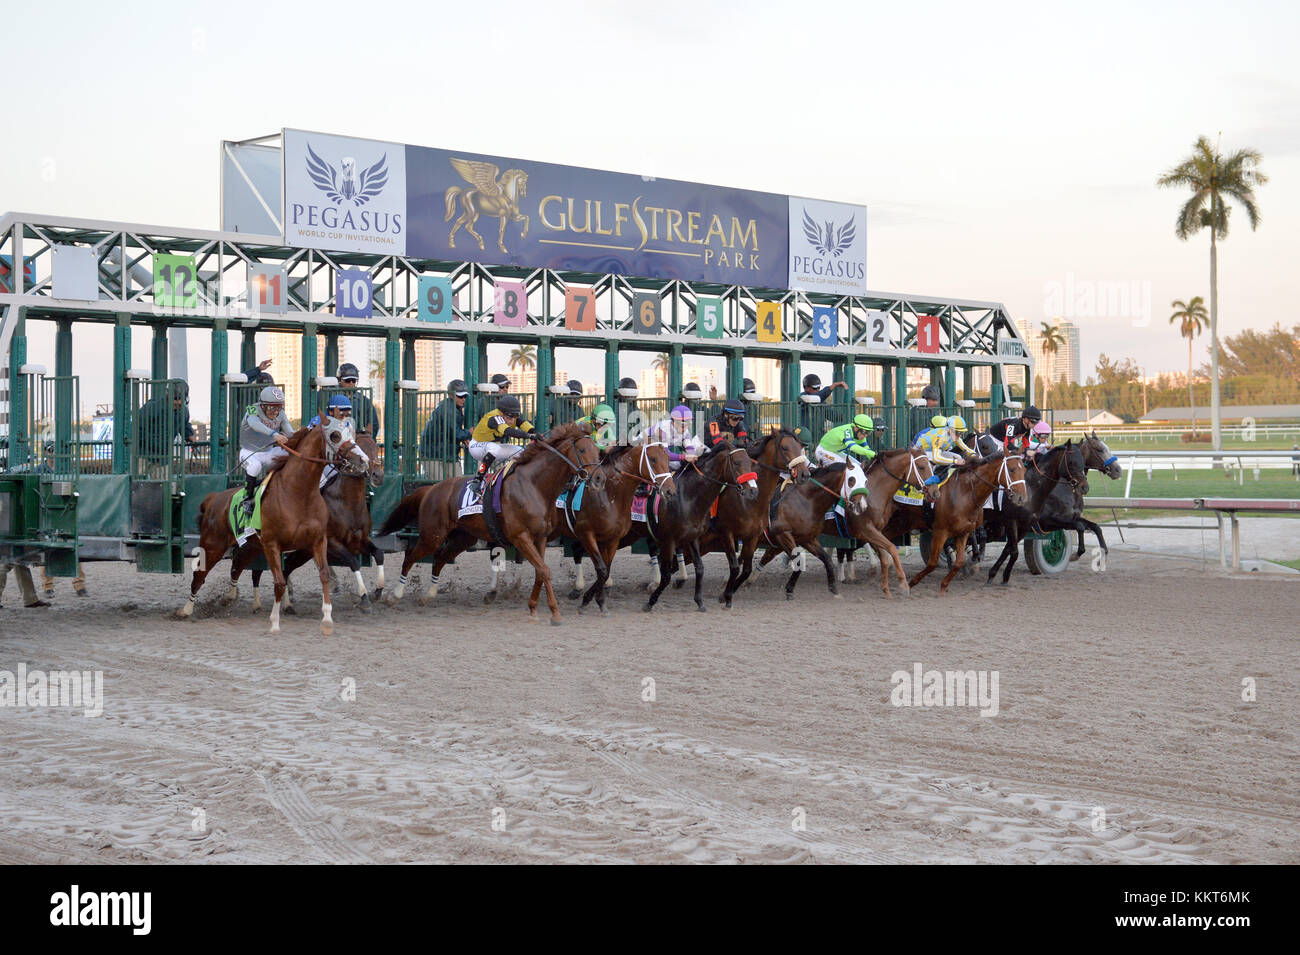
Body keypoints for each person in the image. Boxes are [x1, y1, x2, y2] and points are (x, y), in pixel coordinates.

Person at [238, 386, 295, 517]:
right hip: (249, 452)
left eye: (278, 407)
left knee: (289, 456)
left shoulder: (281, 414)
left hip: (268, 452)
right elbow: (254, 424)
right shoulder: (252, 409)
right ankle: (247, 499)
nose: (275, 411)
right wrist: (274, 434)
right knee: (255, 467)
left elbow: (290, 432)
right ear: (262, 405)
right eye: (271, 407)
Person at [137, 381, 195, 477]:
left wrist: (189, 435)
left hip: (163, 458)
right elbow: (137, 428)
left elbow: (184, 424)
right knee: (138, 486)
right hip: (144, 455)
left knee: (163, 487)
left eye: (181, 399)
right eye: (176, 399)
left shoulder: (184, 411)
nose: (179, 402)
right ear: (168, 396)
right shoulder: (152, 407)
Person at [468, 394, 536, 475]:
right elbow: (508, 431)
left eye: (515, 417)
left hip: (491, 446)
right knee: (494, 448)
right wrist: (529, 436)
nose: (512, 421)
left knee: (520, 451)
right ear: (501, 413)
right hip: (476, 446)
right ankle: (478, 478)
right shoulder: (494, 417)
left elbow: (526, 426)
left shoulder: (511, 416)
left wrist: (535, 433)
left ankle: (512, 476)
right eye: (510, 417)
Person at [419, 379, 471, 475]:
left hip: (446, 454)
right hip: (432, 455)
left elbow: (451, 432)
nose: (463, 399)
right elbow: (456, 434)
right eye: (460, 396)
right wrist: (469, 432)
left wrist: (464, 436)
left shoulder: (453, 407)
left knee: (457, 483)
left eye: (465, 396)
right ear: (451, 395)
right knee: (438, 485)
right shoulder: (448, 409)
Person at [914, 413, 977, 479]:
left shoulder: (953, 434)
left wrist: (976, 456)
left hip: (932, 452)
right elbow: (936, 459)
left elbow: (966, 449)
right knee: (955, 460)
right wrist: (955, 462)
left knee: (958, 457)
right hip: (920, 453)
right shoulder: (940, 436)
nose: (960, 435)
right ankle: (933, 478)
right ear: (950, 429)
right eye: (958, 432)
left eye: (962, 433)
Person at [649, 405, 705, 470]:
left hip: (656, 454)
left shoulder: (685, 430)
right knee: (676, 465)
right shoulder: (662, 430)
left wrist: (692, 456)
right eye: (682, 424)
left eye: (688, 423)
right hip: (642, 452)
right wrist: (684, 457)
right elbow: (665, 454)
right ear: (673, 422)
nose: (685, 427)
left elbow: (689, 447)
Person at [336, 363, 380, 439]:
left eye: (354, 380)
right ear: (339, 380)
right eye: (348, 380)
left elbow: (373, 425)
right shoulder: (332, 397)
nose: (351, 383)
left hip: (357, 441)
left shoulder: (365, 401)